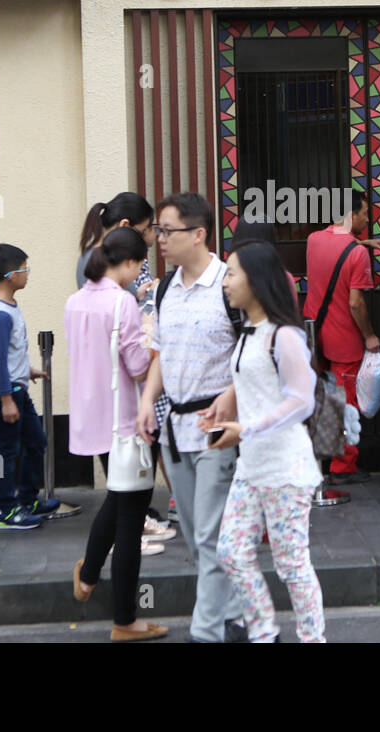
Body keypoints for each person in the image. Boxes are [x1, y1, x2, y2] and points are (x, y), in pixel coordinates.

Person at [136, 192, 248, 643]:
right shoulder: (165, 288)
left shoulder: (231, 285)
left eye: (167, 231)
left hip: (218, 432)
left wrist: (232, 398)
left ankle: (207, 633)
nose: (158, 239)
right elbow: (161, 353)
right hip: (174, 431)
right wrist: (148, 400)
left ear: (199, 234)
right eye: (158, 231)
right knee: (195, 534)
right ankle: (236, 616)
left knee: (209, 535)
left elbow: (257, 354)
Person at [207, 241, 325, 642]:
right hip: (252, 466)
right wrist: (227, 400)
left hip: (286, 469)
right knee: (232, 552)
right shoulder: (249, 331)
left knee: (292, 565)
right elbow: (252, 378)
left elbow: (301, 400)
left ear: (257, 280)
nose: (225, 282)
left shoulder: (285, 335)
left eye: (232, 273)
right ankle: (263, 633)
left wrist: (248, 429)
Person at [66, 227, 168, 641]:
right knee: (130, 516)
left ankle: (89, 574)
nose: (140, 274)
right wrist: (151, 335)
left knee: (120, 501)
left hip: (91, 418)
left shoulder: (75, 301)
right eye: (140, 265)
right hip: (125, 419)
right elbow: (139, 367)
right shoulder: (122, 303)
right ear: (128, 262)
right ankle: (125, 619)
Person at [302, 190, 380, 483]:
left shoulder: (314, 240)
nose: (368, 218)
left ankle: (318, 460)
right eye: (364, 213)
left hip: (315, 337)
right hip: (344, 340)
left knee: (321, 402)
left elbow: (334, 252)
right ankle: (342, 467)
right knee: (346, 405)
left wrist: (360, 243)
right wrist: (370, 335)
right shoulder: (357, 254)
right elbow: (356, 303)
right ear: (351, 215)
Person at [0, 243, 57, 530]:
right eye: (24, 268)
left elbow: (11, 355)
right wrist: (5, 399)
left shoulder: (10, 308)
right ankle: (5, 508)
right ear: (10, 275)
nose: (27, 274)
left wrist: (27, 371)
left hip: (15, 389)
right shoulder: (1, 314)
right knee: (4, 451)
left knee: (36, 442)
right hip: (5, 393)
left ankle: (27, 499)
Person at [76, 191, 156, 301]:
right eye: (141, 232)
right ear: (124, 225)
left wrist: (138, 295)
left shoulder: (87, 255)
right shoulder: (110, 258)